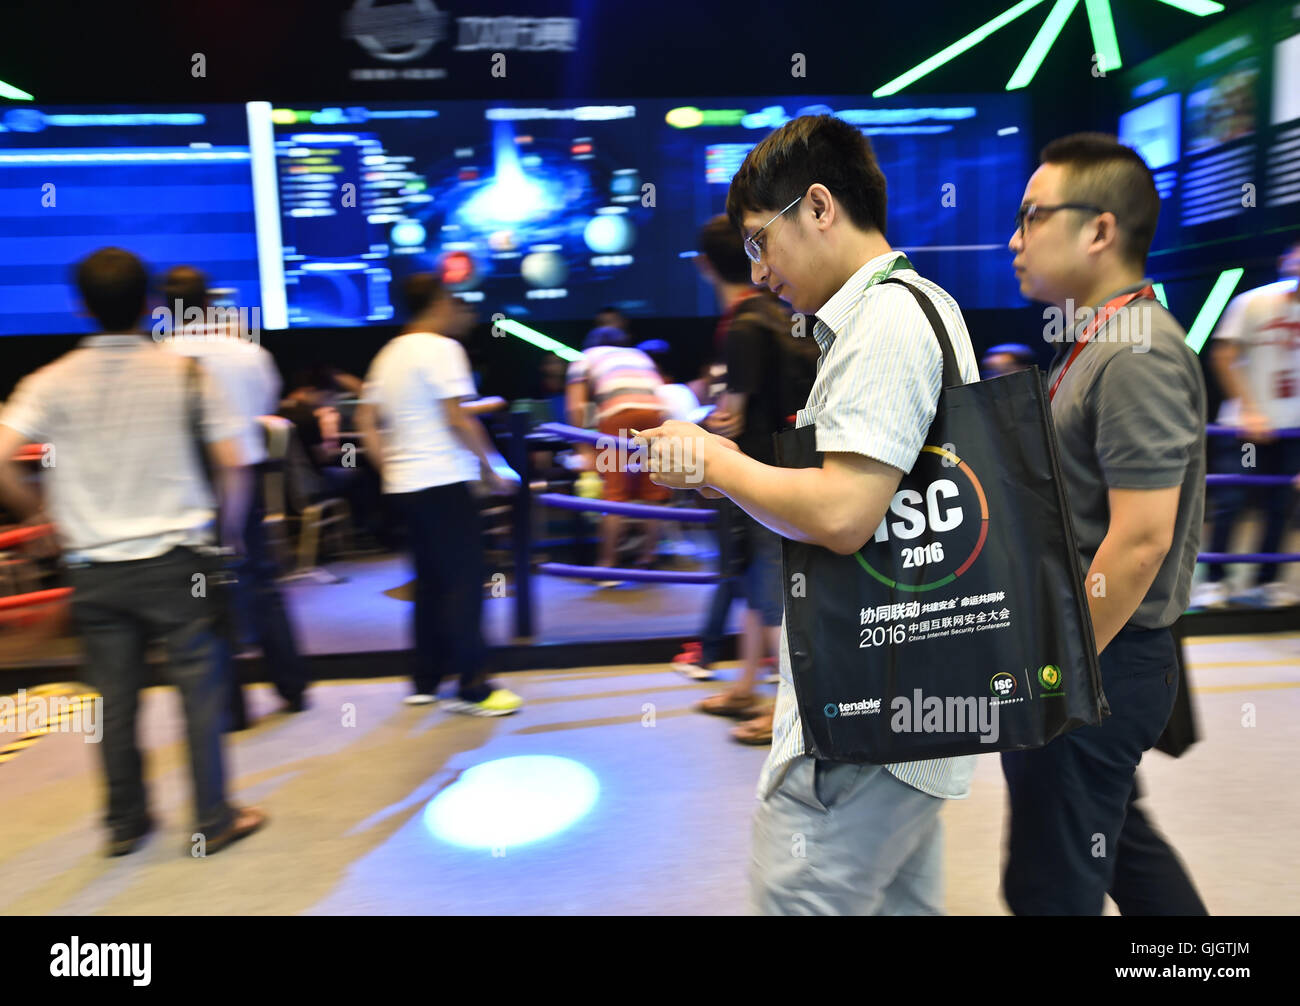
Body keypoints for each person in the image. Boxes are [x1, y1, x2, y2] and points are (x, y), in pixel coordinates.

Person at [640, 114, 982, 915]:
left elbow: (843, 514)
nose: (759, 271)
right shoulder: (908, 307)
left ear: (820, 206)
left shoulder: (886, 322)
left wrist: (716, 462)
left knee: (800, 897)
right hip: (904, 695)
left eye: (762, 241)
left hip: (869, 709)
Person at [0, 247, 266, 856]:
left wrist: (39, 517)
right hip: (180, 564)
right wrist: (227, 535)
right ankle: (213, 818)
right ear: (149, 304)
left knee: (112, 700)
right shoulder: (185, 374)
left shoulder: (47, 382)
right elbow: (234, 463)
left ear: (81, 306)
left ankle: (125, 824)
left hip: (95, 569)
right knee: (199, 691)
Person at [1003, 132, 1207, 915]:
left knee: (1050, 889)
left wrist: (1051, 670)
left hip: (1102, 663)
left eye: (1033, 217)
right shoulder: (1098, 341)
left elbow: (1141, 541)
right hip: (1103, 657)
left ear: (1098, 230)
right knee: (1119, 845)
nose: (1016, 240)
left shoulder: (1138, 355)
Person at [356, 273, 523, 715]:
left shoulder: (388, 354)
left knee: (429, 584)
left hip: (407, 487)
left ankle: (425, 680)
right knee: (467, 584)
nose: (459, 310)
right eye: (454, 301)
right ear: (439, 301)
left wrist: (388, 465)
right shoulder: (444, 349)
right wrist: (495, 467)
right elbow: (458, 418)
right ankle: (474, 687)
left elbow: (366, 421)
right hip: (445, 482)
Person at [688, 215, 819, 746]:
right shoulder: (771, 313)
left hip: (759, 477)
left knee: (769, 589)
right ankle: (746, 686)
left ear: (703, 267)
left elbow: (731, 417)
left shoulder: (742, 324)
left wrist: (684, 437)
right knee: (754, 583)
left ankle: (788, 708)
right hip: (778, 467)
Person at [160, 265, 310, 723]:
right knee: (261, 581)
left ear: (164, 307)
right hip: (244, 480)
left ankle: (231, 709)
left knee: (200, 597)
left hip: (186, 490)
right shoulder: (249, 355)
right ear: (209, 301)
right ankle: (293, 688)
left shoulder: (159, 358)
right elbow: (266, 414)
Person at [1193, 240, 1300, 610]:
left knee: (1280, 505)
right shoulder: (1255, 301)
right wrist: (1251, 408)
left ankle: (1265, 584)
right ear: (1286, 258)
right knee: (1232, 500)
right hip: (1245, 426)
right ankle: (1215, 584)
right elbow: (1223, 353)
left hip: (1292, 429)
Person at [565, 327, 670, 578]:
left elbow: (576, 406)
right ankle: (648, 557)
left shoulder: (584, 356)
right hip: (654, 412)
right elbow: (659, 393)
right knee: (652, 489)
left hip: (618, 414)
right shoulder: (639, 355)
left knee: (615, 493)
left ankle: (607, 564)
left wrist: (583, 447)